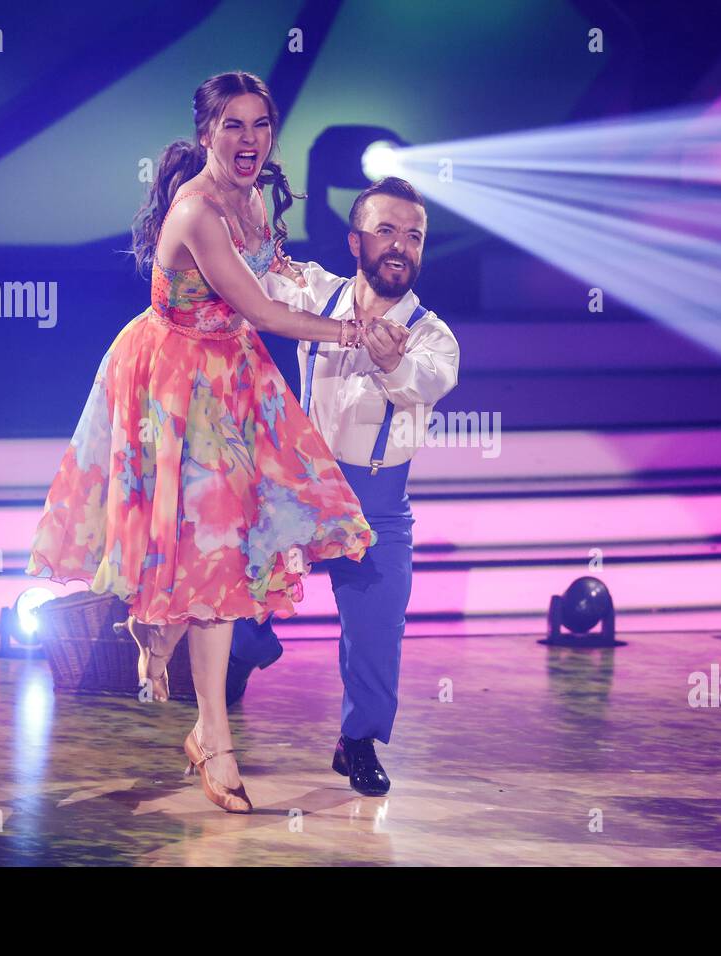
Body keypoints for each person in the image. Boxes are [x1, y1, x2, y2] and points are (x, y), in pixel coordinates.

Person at [25, 72, 401, 814]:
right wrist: (355, 332)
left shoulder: (255, 196)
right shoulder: (197, 211)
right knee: (210, 561)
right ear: (206, 133)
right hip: (173, 384)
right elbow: (261, 308)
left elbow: (274, 274)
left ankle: (174, 668)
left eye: (261, 124)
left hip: (232, 376)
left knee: (226, 560)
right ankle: (213, 737)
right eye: (233, 124)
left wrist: (329, 290)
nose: (250, 139)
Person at [266, 177, 460, 795]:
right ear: (355, 241)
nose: (400, 245)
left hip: (377, 499)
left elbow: (420, 384)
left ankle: (358, 742)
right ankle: (228, 684)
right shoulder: (316, 292)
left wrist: (390, 361)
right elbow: (252, 281)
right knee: (237, 607)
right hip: (300, 487)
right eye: (386, 230)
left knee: (377, 631)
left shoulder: (434, 336)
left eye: (414, 235)